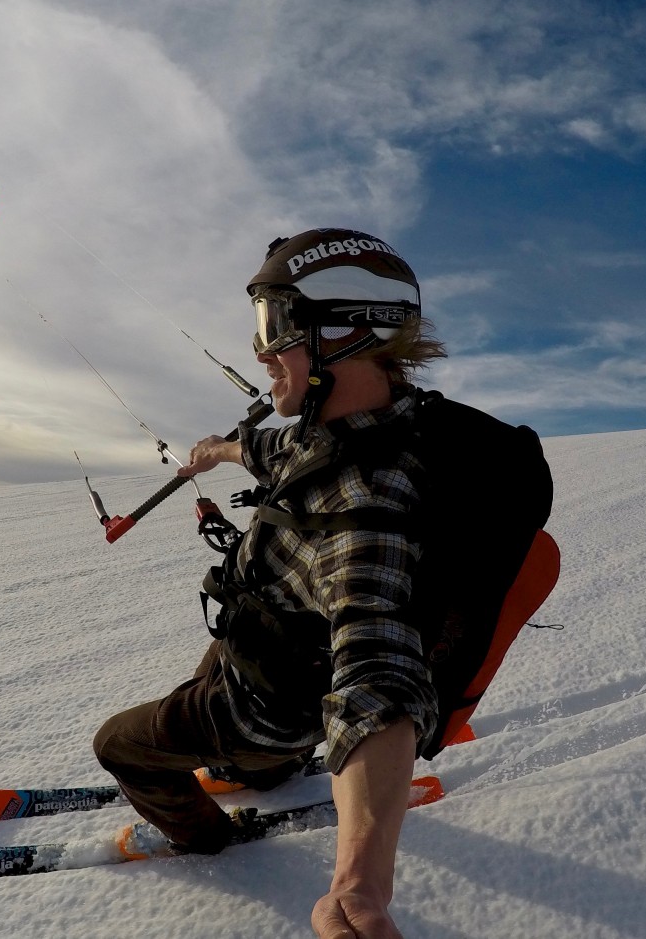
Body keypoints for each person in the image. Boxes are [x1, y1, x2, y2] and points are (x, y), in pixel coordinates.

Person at [93, 228, 448, 939]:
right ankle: (274, 763)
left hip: (272, 702)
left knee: (117, 744)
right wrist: (217, 452)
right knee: (210, 672)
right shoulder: (351, 427)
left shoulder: (366, 504)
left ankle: (207, 836)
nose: (260, 351)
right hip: (261, 644)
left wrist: (360, 885)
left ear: (349, 329)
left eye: (277, 326)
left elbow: (375, 672)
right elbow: (269, 445)